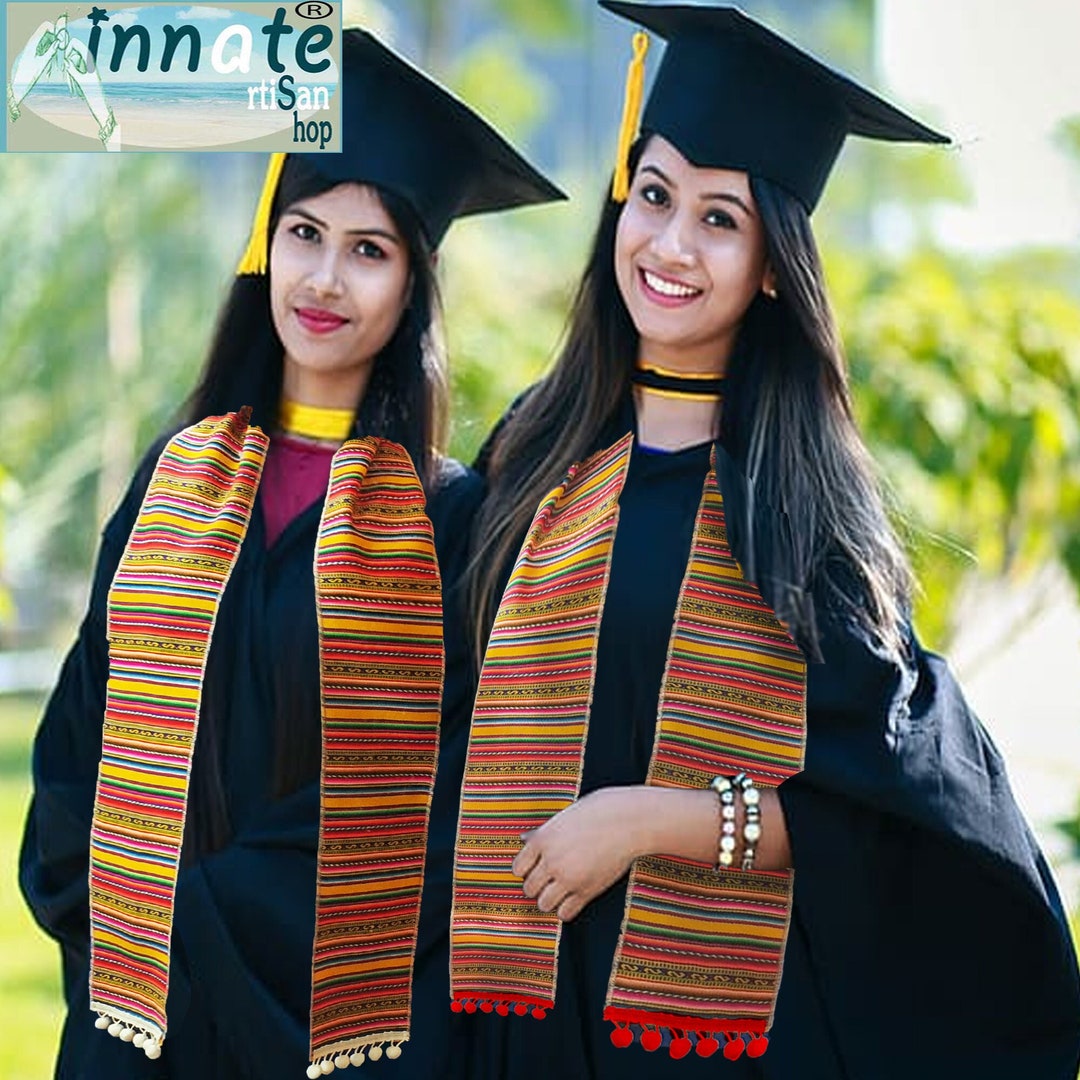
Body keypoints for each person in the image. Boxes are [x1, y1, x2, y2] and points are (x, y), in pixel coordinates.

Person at [450, 4, 1080, 1079]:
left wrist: (647, 820)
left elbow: (882, 816)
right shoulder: (534, 449)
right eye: (654, 196)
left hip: (709, 1040)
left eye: (721, 220)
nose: (671, 245)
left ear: (776, 265)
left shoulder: (798, 506)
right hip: (515, 1021)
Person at [19, 27, 563, 1080]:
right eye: (305, 232)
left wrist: (215, 914)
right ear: (268, 239)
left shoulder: (449, 525)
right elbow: (83, 723)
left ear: (414, 285)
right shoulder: (177, 479)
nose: (323, 279)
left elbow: (458, 793)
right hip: (141, 1017)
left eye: (369, 250)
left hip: (344, 1027)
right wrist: (109, 921)